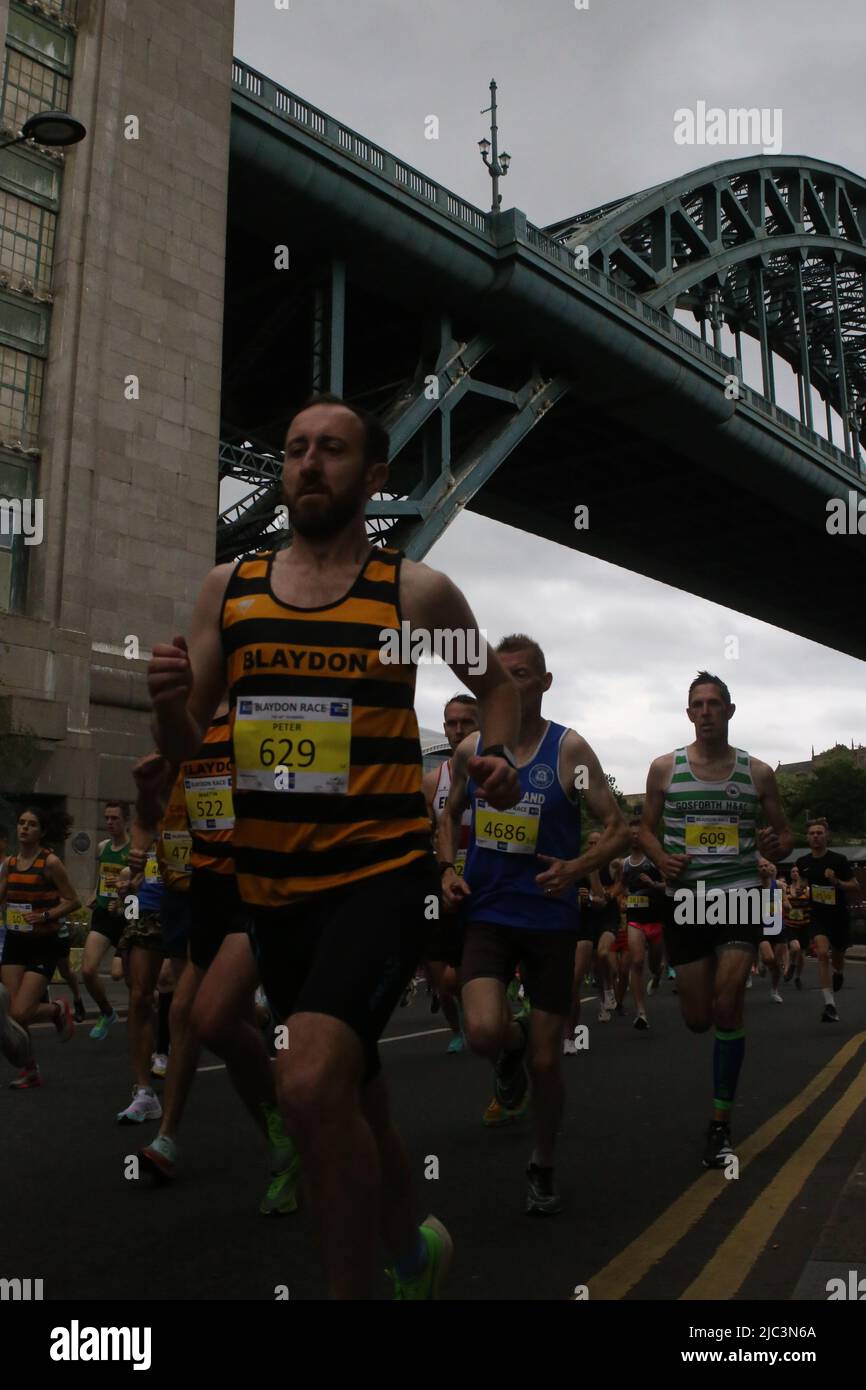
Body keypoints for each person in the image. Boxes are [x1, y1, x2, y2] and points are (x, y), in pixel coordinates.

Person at [146, 392, 522, 1298]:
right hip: (268, 889)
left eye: (332, 451)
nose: (308, 464)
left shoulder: (412, 590)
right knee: (353, 1102)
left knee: (308, 1083)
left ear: (375, 476)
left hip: (378, 876)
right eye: (295, 449)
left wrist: (496, 756)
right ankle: (413, 1256)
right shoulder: (226, 590)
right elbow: (189, 748)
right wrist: (167, 703)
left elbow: (497, 683)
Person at [441, 634, 627, 1214]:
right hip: (488, 912)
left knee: (548, 1061)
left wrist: (577, 867)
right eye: (503, 674)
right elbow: (446, 814)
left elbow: (618, 825)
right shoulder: (472, 748)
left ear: (544, 683)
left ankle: (543, 1161)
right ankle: (507, 1050)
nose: (513, 684)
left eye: (523, 674)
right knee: (482, 1032)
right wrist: (447, 866)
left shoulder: (567, 751)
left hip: (549, 916)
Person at [132, 712, 300, 1217]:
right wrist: (146, 793)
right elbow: (162, 816)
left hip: (259, 886)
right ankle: (276, 1138)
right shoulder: (188, 739)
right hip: (202, 891)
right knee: (203, 1018)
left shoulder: (266, 716)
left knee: (207, 1014)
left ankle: (292, 1126)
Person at [638, 671, 792, 1168]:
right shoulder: (664, 769)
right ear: (688, 715)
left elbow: (783, 835)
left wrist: (775, 844)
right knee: (698, 1018)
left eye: (714, 704)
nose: (706, 712)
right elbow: (644, 832)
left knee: (728, 1007)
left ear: (729, 710)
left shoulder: (758, 773)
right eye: (697, 705)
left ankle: (721, 1124)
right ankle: (718, 1094)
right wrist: (661, 858)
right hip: (687, 902)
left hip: (739, 896)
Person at [0, 807, 79, 1087]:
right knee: (11, 1013)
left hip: (43, 943)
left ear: (42, 831)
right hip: (15, 942)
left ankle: (57, 1009)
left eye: (31, 824)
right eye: (21, 823)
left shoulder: (50, 862)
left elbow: (72, 900)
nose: (24, 828)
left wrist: (45, 915)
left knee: (21, 1013)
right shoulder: (9, 864)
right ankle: (30, 1070)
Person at [422, 693, 480, 1052]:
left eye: (466, 722)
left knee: (462, 971)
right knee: (439, 974)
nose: (457, 730)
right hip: (441, 882)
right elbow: (422, 834)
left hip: (483, 881)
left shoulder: (497, 769)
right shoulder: (431, 782)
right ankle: (457, 1029)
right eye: (451, 723)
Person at [796, 820, 858, 1022]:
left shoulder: (839, 860)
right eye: (812, 833)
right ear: (807, 837)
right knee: (822, 953)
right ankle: (829, 1004)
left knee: (838, 956)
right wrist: (799, 888)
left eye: (819, 832)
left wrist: (836, 882)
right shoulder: (803, 862)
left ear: (826, 836)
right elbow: (802, 883)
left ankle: (838, 972)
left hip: (838, 916)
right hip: (818, 915)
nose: (816, 836)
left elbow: (855, 885)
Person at [81, 801, 131, 1038]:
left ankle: (150, 1019)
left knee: (125, 977)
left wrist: (122, 904)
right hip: (103, 913)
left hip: (128, 916)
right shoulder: (102, 847)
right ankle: (107, 1012)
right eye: (107, 818)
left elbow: (140, 891)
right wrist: (94, 894)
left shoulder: (134, 852)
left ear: (126, 821)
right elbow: (103, 877)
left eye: (115, 818)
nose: (109, 823)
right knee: (88, 971)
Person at [621, 817, 666, 1030]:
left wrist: (654, 884)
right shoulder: (624, 864)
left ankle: (658, 973)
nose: (635, 837)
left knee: (653, 964)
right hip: (635, 918)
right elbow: (619, 888)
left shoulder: (655, 860)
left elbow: (670, 885)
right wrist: (620, 898)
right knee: (636, 961)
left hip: (656, 919)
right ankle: (641, 1012)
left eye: (638, 833)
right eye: (632, 834)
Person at [756, 858, 785, 1003]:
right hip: (760, 925)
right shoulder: (753, 887)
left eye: (766, 866)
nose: (763, 868)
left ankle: (774, 990)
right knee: (769, 958)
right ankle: (761, 958)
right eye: (760, 866)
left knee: (776, 964)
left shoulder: (778, 886)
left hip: (777, 924)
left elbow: (784, 903)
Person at [782, 865, 810, 989]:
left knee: (802, 953)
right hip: (790, 924)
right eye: (792, 871)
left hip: (804, 924)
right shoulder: (786, 889)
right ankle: (792, 965)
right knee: (795, 948)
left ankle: (798, 977)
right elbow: (783, 901)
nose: (794, 873)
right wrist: (785, 903)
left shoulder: (807, 890)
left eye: (797, 871)